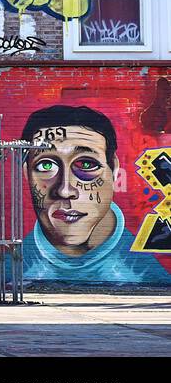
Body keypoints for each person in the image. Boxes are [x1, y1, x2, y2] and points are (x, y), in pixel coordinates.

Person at [20, 104, 171, 283]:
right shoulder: (4, 273)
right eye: (46, 165)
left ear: (113, 169)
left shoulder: (149, 275)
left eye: (86, 164)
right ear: (26, 172)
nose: (65, 190)